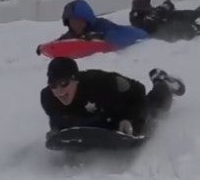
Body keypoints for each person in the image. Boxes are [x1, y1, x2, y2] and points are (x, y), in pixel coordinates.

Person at [41, 57, 186, 138]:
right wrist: (56, 132)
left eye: (64, 83)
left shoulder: (103, 82)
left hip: (122, 109)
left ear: (75, 79)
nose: (59, 91)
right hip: (98, 121)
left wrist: (130, 120)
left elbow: (137, 91)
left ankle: (162, 82)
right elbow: (58, 120)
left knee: (155, 109)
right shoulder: (48, 98)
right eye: (53, 85)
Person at [56, 0, 149, 48]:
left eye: (78, 21)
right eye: (72, 22)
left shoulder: (101, 25)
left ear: (86, 20)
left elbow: (120, 39)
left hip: (139, 33)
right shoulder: (74, 33)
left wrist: (100, 37)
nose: (75, 25)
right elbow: (64, 40)